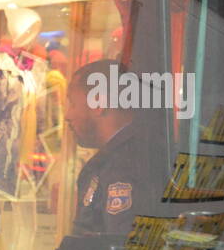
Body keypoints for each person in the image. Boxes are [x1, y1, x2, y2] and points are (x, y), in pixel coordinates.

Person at [64, 59, 160, 235]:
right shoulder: (133, 154)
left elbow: (119, 248)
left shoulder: (124, 165)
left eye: (73, 103)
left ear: (98, 103)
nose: (67, 115)